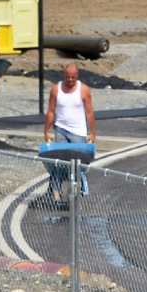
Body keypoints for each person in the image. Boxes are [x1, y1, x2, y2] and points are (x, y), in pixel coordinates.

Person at [41, 63, 96, 204]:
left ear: (77, 76)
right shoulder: (56, 90)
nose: (70, 80)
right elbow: (51, 111)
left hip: (78, 132)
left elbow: (89, 113)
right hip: (60, 129)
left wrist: (92, 133)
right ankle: (55, 193)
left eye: (73, 77)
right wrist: (46, 131)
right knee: (58, 163)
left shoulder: (84, 90)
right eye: (67, 77)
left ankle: (79, 187)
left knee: (78, 163)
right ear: (63, 76)